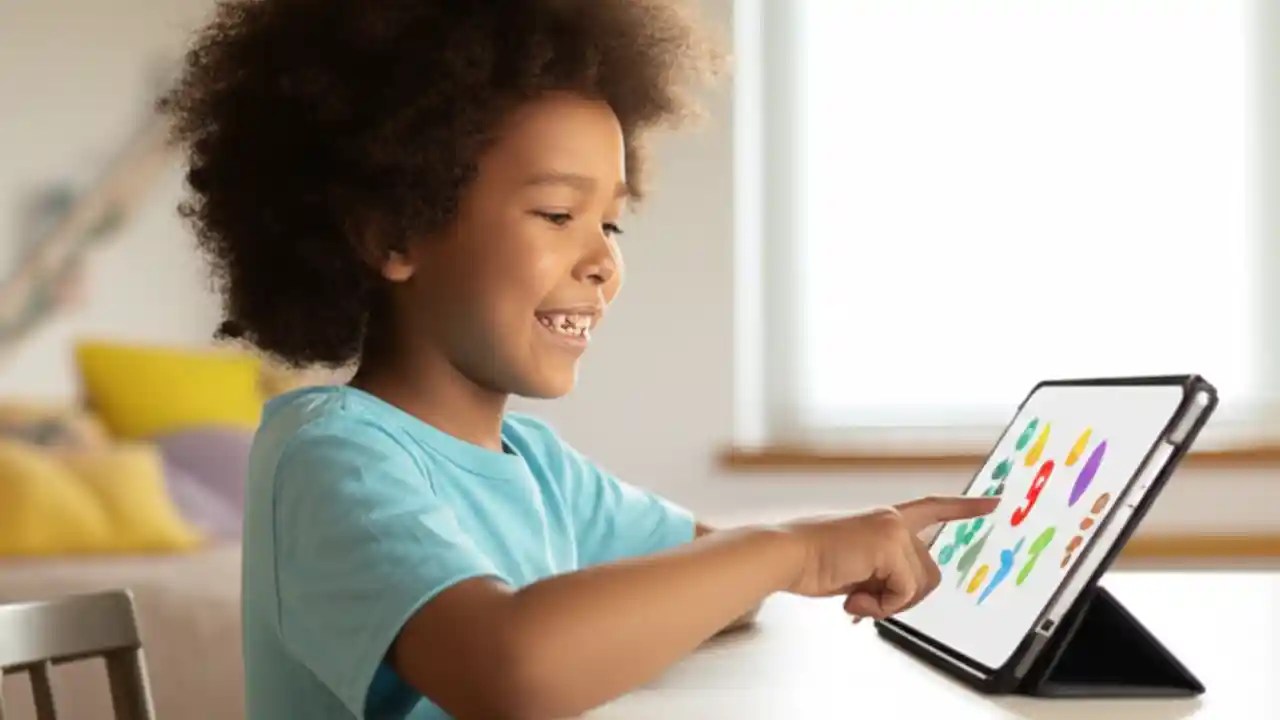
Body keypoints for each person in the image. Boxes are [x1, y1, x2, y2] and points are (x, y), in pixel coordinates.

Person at [161, 1, 998, 718]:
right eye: (559, 213)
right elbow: (510, 668)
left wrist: (825, 542)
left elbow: (707, 583)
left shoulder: (539, 468)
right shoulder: (329, 455)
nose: (604, 260)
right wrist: (792, 551)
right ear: (395, 231)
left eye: (613, 223)